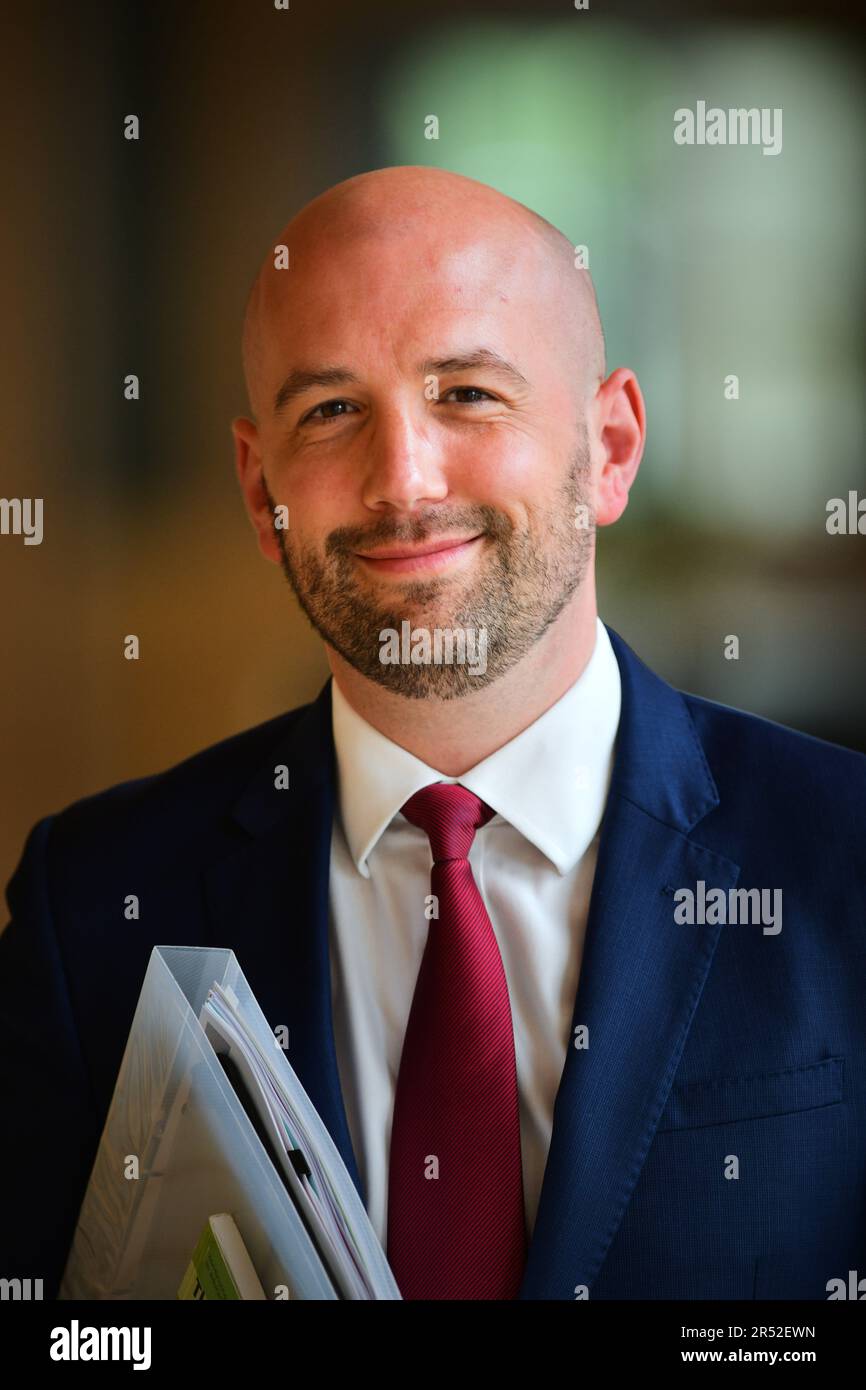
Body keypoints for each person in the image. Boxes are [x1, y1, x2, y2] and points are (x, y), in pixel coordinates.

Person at [1, 166, 864, 1302]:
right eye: (329, 411)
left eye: (465, 392)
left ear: (607, 447)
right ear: (260, 485)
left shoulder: (840, 852)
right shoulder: (93, 901)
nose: (401, 481)